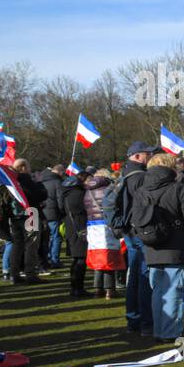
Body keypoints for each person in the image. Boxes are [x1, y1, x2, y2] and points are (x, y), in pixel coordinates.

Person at [137, 153, 184, 343]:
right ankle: (169, 332)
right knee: (174, 290)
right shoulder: (178, 187)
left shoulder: (142, 190)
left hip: (152, 245)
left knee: (159, 291)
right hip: (176, 245)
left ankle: (160, 330)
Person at [116, 142, 154, 332]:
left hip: (128, 229)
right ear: (138, 156)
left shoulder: (126, 174)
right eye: (148, 153)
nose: (150, 157)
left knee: (134, 276)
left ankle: (133, 319)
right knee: (144, 275)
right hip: (139, 230)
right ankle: (146, 321)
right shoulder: (140, 177)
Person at [83, 168, 124, 299]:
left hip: (92, 226)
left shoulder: (88, 191)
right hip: (106, 225)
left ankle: (97, 289)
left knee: (98, 259)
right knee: (110, 257)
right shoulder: (108, 190)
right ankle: (110, 290)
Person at [6, 158, 47, 284]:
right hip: (30, 214)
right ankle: (30, 274)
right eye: (28, 167)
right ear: (23, 168)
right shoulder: (25, 179)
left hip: (14, 216)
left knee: (17, 245)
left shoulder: (9, 180)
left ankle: (15, 274)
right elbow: (40, 195)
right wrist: (39, 183)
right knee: (32, 245)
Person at [61, 169, 90, 298]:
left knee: (77, 259)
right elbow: (83, 210)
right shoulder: (78, 193)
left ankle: (75, 287)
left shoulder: (68, 192)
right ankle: (78, 288)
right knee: (80, 259)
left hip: (71, 226)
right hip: (79, 226)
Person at [37, 164, 64, 269]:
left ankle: (46, 258)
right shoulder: (57, 182)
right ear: (59, 172)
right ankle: (54, 260)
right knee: (56, 237)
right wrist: (62, 212)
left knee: (45, 238)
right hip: (53, 213)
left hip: (43, 213)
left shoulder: (42, 180)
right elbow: (60, 200)